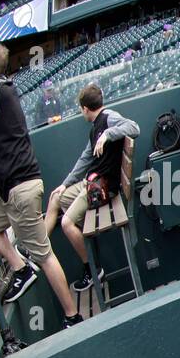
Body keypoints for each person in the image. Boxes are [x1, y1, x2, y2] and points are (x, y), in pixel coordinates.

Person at [0, 45, 83, 328]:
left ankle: (72, 316)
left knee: (45, 256)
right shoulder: (4, 89)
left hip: (20, 188)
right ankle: (19, 267)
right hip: (12, 190)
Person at [44, 83, 140, 293]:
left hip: (103, 188)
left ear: (85, 108)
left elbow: (134, 127)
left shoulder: (108, 117)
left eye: (81, 109)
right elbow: (86, 157)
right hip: (91, 183)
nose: (81, 112)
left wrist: (108, 134)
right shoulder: (94, 127)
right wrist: (65, 184)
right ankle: (38, 247)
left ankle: (93, 270)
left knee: (68, 222)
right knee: (55, 198)